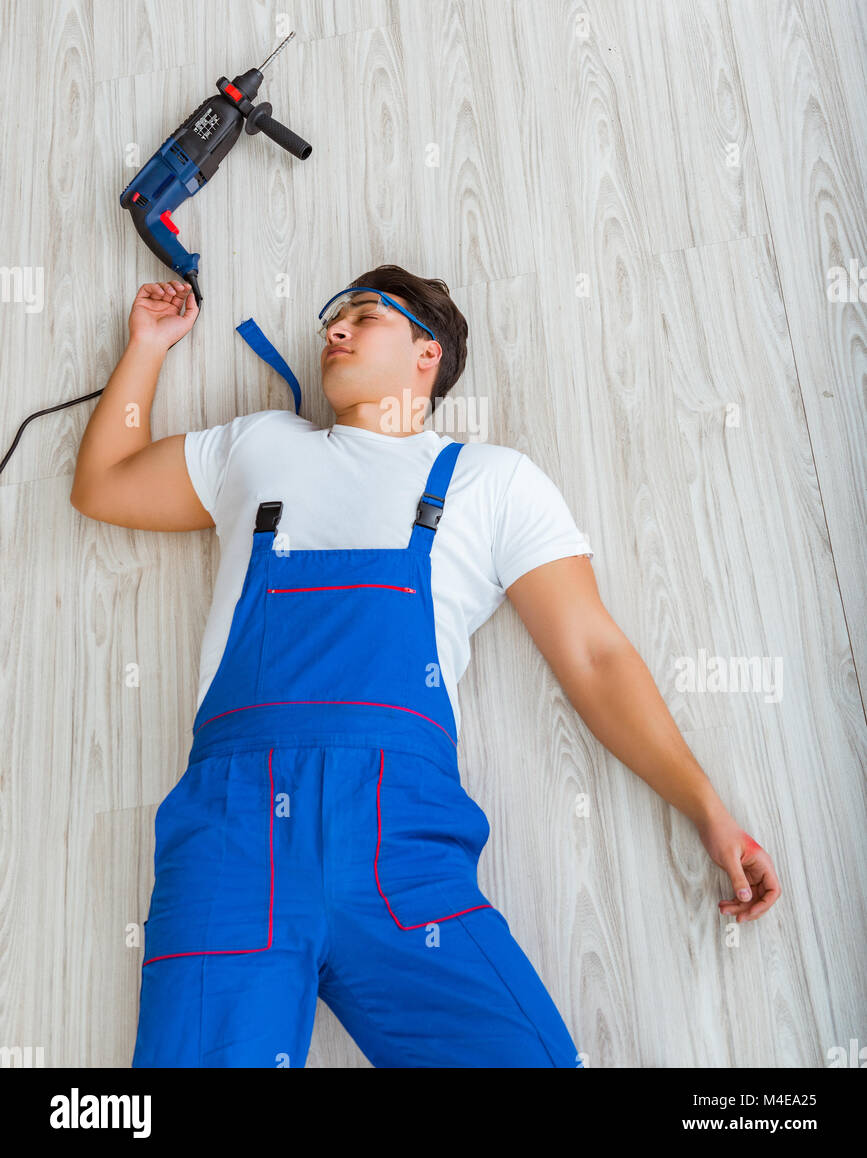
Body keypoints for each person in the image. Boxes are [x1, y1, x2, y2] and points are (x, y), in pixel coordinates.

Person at [71, 266, 781, 1068]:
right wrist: (147, 347)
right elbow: (102, 485)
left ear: (426, 352)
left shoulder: (491, 482)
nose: (332, 331)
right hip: (236, 847)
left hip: (402, 851)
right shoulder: (259, 446)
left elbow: (595, 657)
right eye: (330, 319)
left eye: (363, 317)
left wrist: (707, 810)